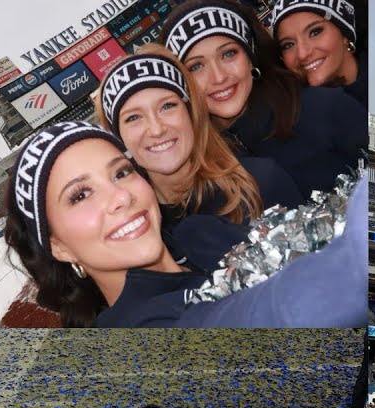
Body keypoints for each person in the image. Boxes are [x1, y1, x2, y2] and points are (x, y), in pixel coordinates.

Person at [1, 120, 365, 328]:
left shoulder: (203, 235)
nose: (120, 197)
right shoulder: (136, 331)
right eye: (80, 195)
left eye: (121, 172)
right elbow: (279, 314)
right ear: (59, 245)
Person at [95, 46, 301, 269]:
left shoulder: (261, 181)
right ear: (118, 138)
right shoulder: (132, 229)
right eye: (133, 117)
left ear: (190, 113)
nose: (156, 129)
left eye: (167, 106)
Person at [159, 0, 366, 197]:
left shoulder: (322, 107)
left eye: (229, 54)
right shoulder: (196, 170)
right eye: (196, 66)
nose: (219, 77)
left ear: (250, 58)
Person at [270, 0, 366, 106]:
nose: (302, 54)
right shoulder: (298, 115)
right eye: (288, 45)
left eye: (315, 32)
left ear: (345, 33)